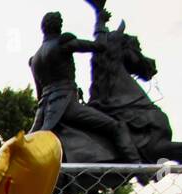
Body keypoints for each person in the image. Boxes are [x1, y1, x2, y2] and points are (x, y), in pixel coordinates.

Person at [28, 3, 141, 163]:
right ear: (58, 27)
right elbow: (100, 46)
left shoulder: (34, 60)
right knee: (116, 126)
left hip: (44, 112)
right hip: (67, 105)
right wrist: (100, 22)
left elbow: (40, 95)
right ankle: (139, 169)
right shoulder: (63, 43)